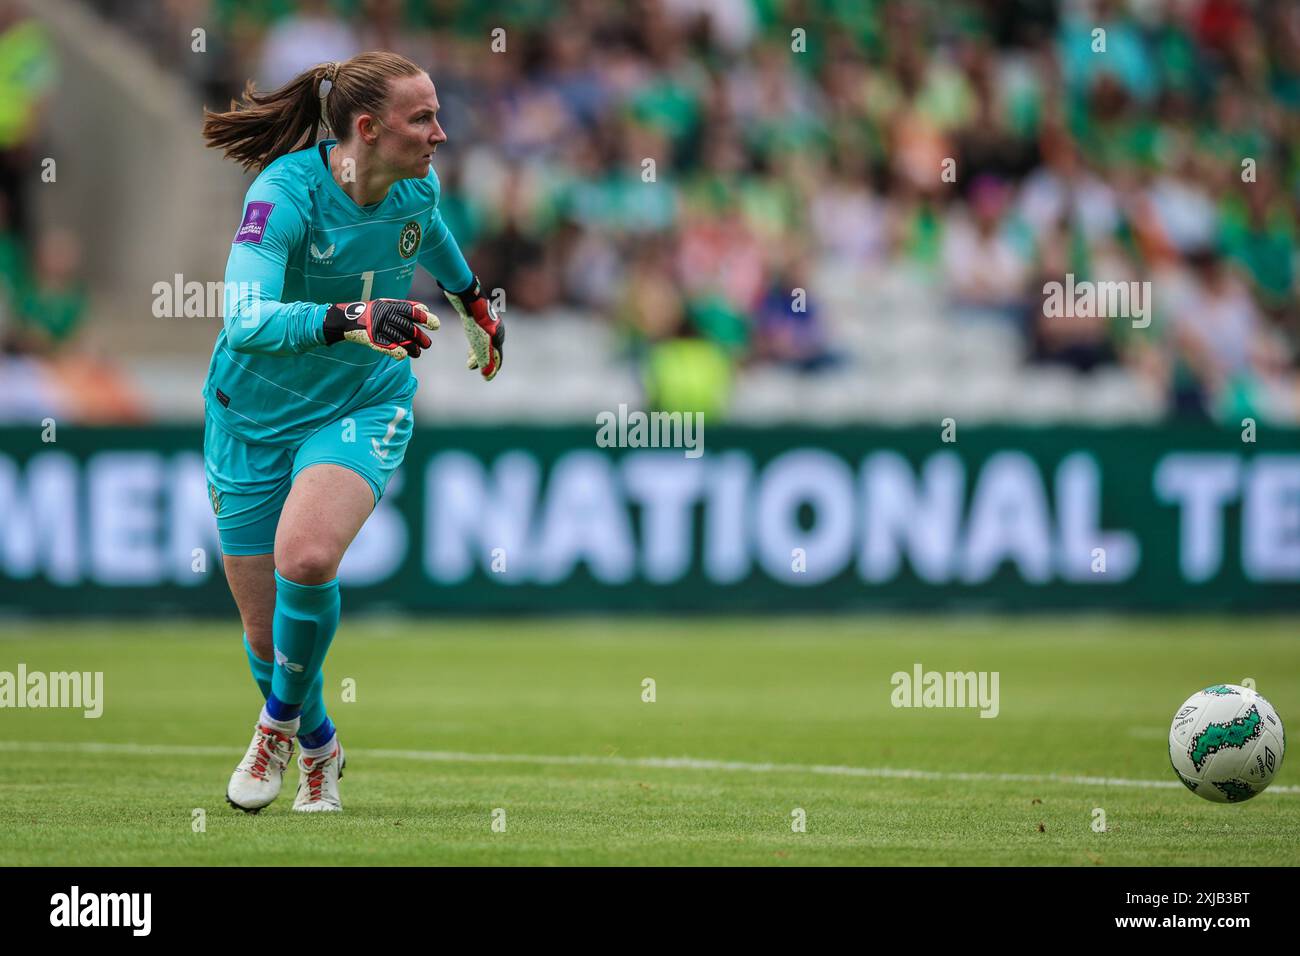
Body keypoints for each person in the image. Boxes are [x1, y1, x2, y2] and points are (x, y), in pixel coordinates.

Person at [201, 51, 503, 813]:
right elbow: (244, 323)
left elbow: (427, 229)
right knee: (268, 638)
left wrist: (472, 300)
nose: (441, 132)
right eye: (423, 118)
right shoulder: (283, 197)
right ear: (368, 129)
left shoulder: (415, 184)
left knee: (305, 556)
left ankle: (273, 728)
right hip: (251, 415)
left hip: (362, 401)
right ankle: (318, 743)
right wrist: (354, 318)